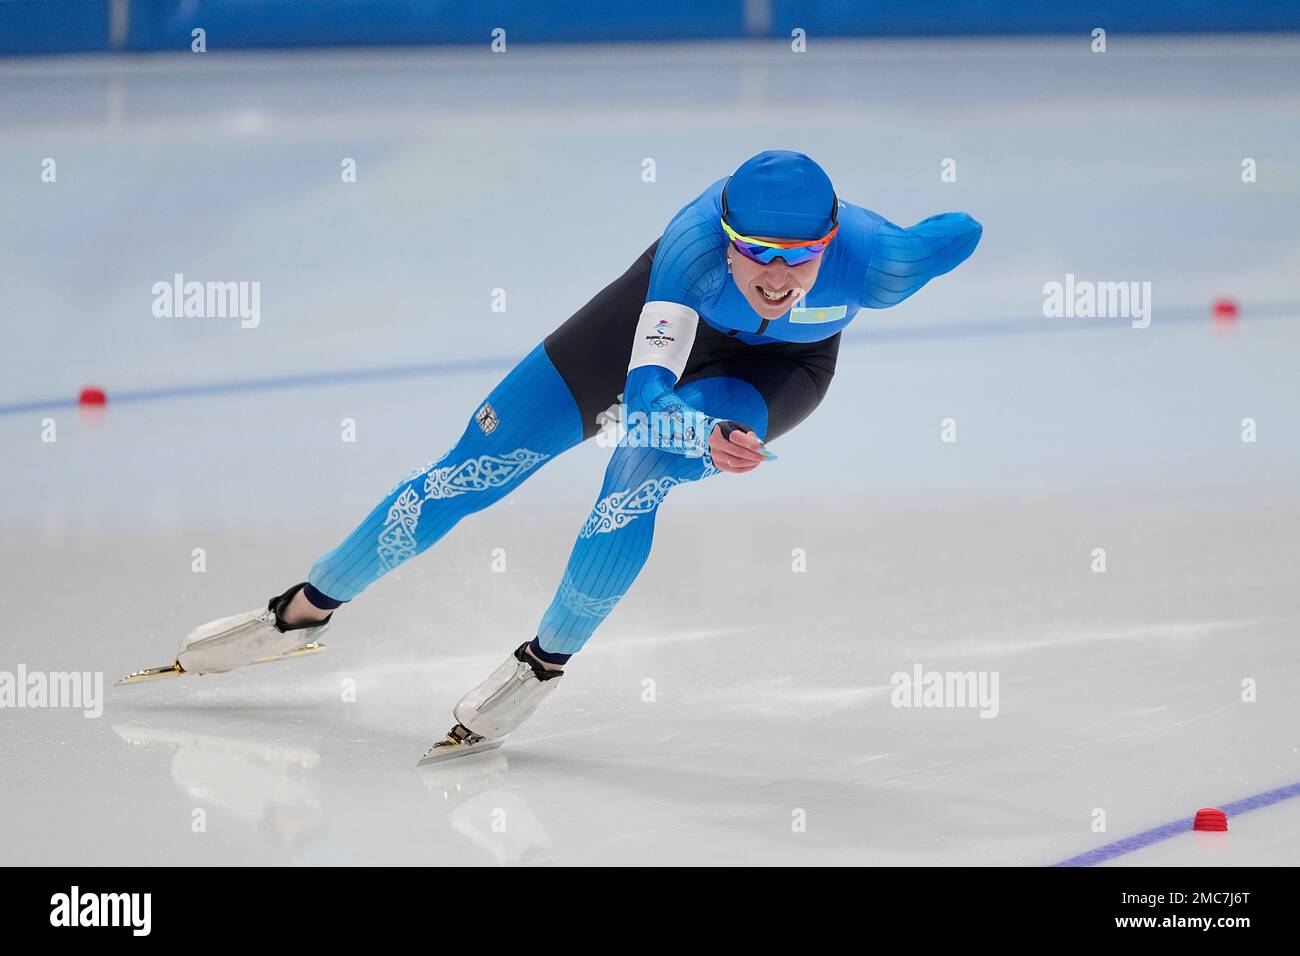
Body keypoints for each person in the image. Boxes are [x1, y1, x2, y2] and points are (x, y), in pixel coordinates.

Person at [165, 150, 982, 762]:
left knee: (632, 484)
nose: (776, 276)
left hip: (773, 374)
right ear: (725, 241)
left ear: (831, 242)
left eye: (798, 256)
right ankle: (300, 612)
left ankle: (540, 665)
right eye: (757, 252)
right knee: (469, 471)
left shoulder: (879, 263)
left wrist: (932, 228)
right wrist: (697, 437)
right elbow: (649, 401)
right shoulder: (691, 256)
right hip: (649, 341)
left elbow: (960, 234)